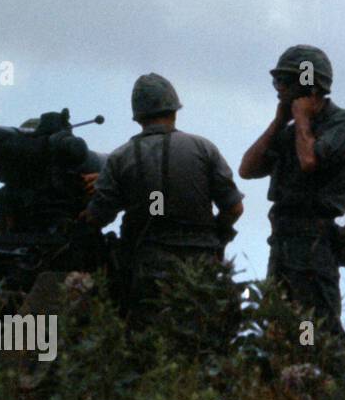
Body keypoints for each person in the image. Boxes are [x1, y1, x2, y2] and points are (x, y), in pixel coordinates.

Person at [81, 73, 244, 322]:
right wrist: (215, 238)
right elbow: (234, 209)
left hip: (146, 272)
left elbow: (96, 217)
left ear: (137, 116)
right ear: (174, 110)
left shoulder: (120, 158)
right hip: (202, 270)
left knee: (149, 347)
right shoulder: (204, 149)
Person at [239, 45, 345, 338]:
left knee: (313, 327)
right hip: (282, 240)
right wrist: (280, 121)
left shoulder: (344, 124)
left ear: (307, 86)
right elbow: (248, 169)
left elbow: (309, 161)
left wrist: (301, 118)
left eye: (285, 81)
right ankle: (288, 379)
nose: (278, 89)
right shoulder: (291, 130)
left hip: (313, 245)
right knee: (277, 323)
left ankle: (321, 379)